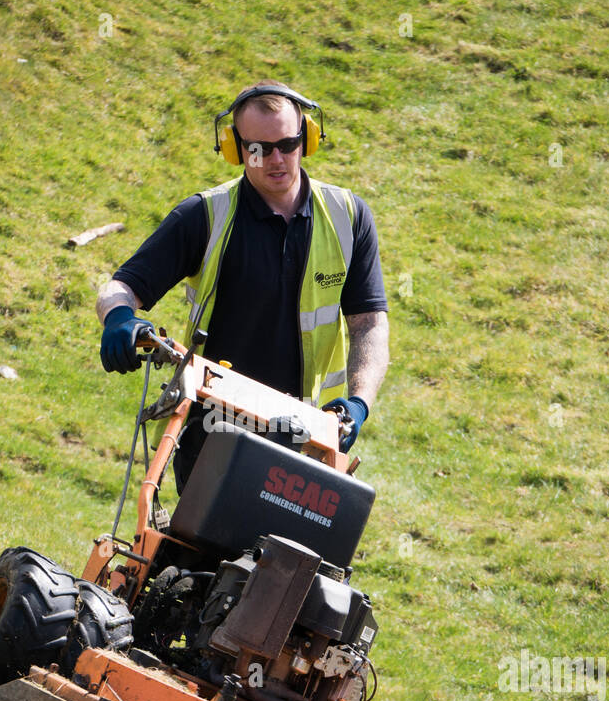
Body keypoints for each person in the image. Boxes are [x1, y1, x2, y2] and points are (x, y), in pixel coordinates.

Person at [96, 82, 389, 489]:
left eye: (288, 144)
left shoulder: (348, 217)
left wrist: (357, 404)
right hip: (212, 428)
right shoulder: (205, 216)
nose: (276, 159)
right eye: (258, 149)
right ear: (236, 149)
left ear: (307, 139)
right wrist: (119, 319)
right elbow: (120, 286)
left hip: (306, 436)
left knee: (290, 554)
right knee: (200, 550)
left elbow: (369, 323)